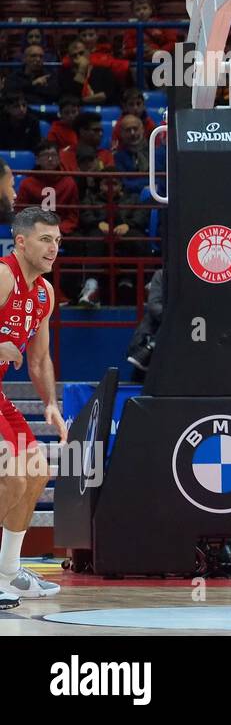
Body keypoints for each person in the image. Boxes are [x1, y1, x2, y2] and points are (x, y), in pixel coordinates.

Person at [0, 205, 66, 604]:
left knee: (37, 471)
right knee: (13, 476)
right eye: (45, 239)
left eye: (58, 241)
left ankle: (8, 571)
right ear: (21, 242)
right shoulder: (3, 275)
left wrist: (51, 405)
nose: (54, 248)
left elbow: (39, 360)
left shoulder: (44, 293)